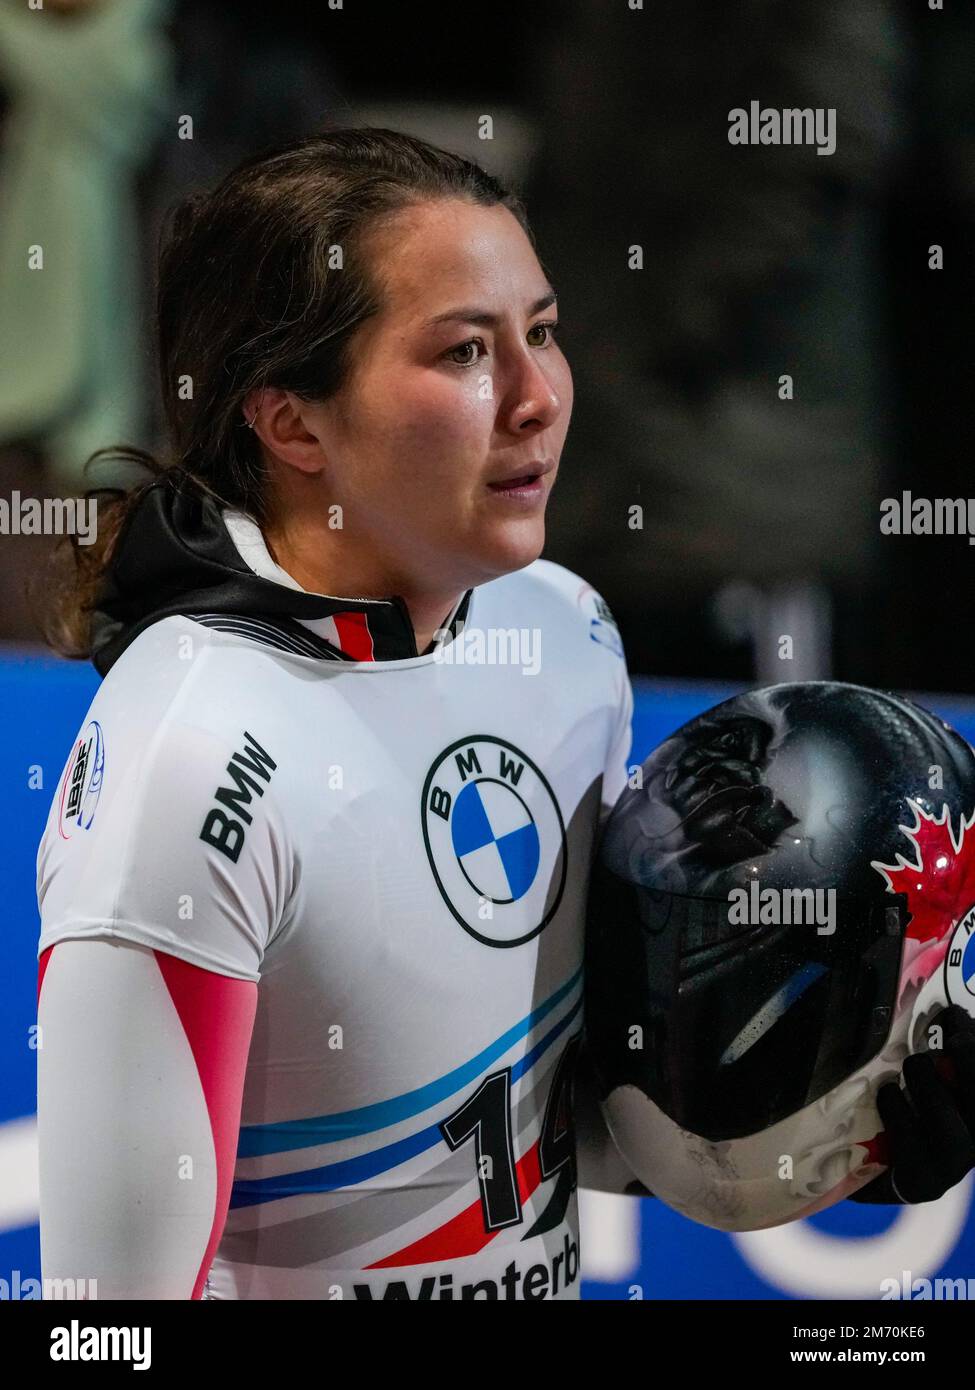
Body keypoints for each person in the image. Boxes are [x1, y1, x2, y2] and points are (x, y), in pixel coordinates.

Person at [34, 126, 636, 1301]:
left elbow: (543, 1142)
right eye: (466, 351)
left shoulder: (569, 636)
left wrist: (826, 1123)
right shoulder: (191, 756)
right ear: (292, 423)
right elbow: (103, 1324)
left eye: (544, 333)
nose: (536, 398)